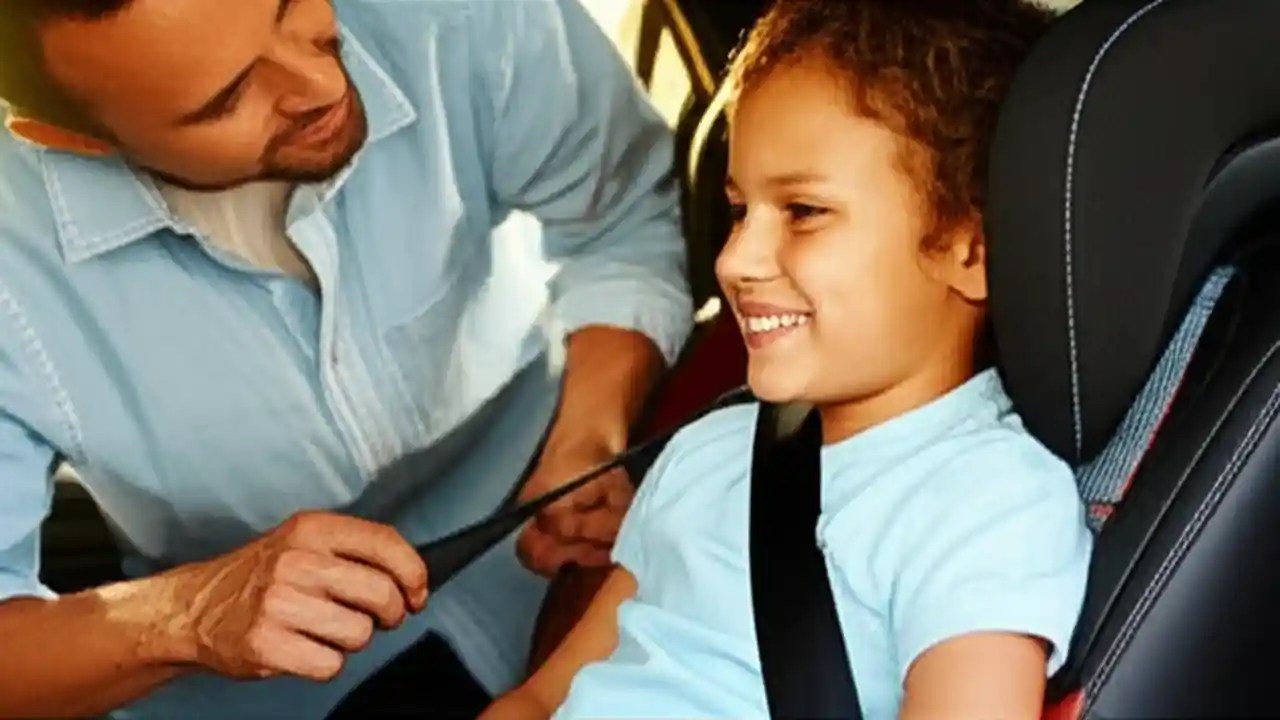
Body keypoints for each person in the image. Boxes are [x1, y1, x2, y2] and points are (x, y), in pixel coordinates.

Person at [0, 0, 691, 717]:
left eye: (292, 5)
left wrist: (589, 434)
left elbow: (620, 223)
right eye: (229, 98)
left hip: (572, 554)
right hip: (257, 693)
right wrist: (187, 616)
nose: (323, 83)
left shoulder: (460, 13)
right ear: (68, 140)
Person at [482, 0, 1095, 718]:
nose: (735, 259)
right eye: (740, 210)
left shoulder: (988, 501)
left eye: (804, 212)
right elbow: (539, 700)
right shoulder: (710, 452)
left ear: (970, 247)